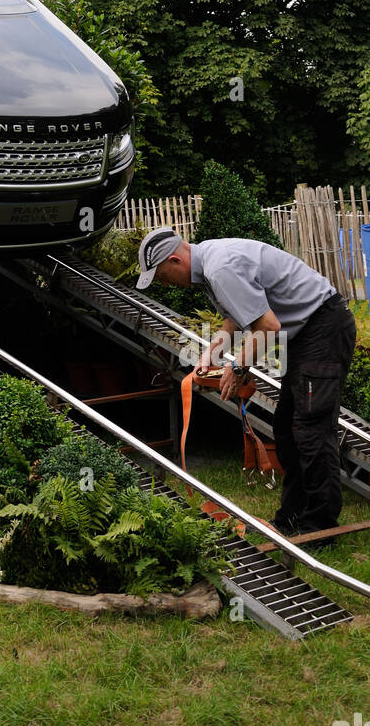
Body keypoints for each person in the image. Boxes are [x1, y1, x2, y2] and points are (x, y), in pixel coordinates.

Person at [136, 227, 357, 540]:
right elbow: (240, 315)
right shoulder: (210, 261)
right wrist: (212, 353)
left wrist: (237, 366)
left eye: (161, 276)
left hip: (324, 327)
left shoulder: (219, 267)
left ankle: (320, 527)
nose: (165, 283)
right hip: (307, 334)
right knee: (285, 428)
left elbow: (267, 326)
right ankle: (292, 517)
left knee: (311, 429)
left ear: (174, 260)